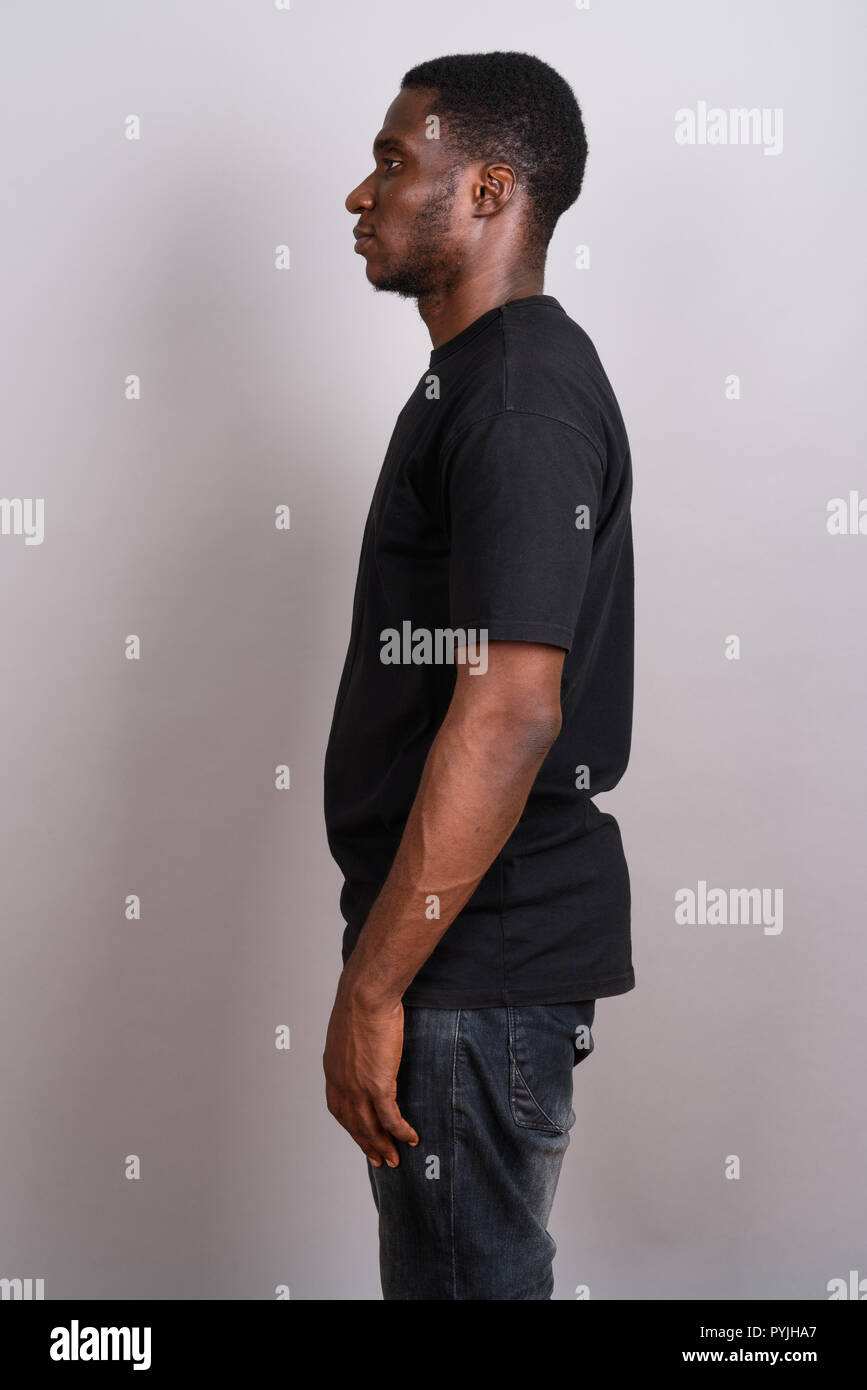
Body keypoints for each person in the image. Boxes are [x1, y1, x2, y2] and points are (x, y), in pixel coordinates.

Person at [322, 51, 635, 1301]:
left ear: (492, 190)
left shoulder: (517, 396)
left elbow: (508, 712)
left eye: (397, 163)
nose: (361, 192)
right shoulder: (486, 383)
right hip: (469, 967)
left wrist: (374, 987)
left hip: (473, 970)